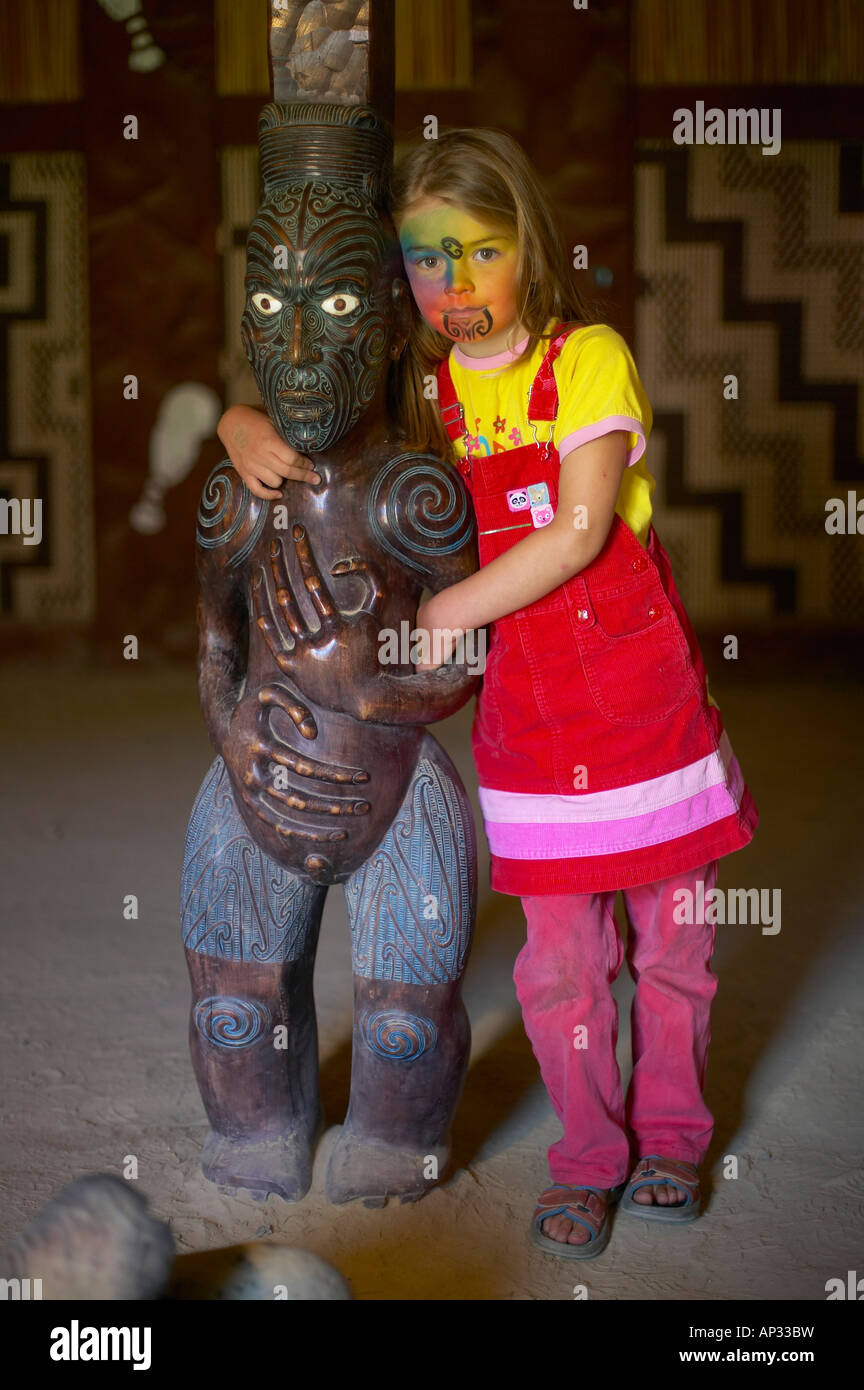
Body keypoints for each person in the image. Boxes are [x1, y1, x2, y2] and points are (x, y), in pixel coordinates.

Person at [217, 126, 759, 1261]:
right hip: (531, 722)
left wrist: (444, 615)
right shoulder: (423, 391)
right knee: (560, 962)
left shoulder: (589, 358)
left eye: (480, 252)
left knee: (673, 949)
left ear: (531, 249)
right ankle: (589, 1160)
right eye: (425, 259)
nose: (453, 285)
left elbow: (577, 530)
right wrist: (241, 423)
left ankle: (671, 1135)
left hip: (638, 704)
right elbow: (318, 434)